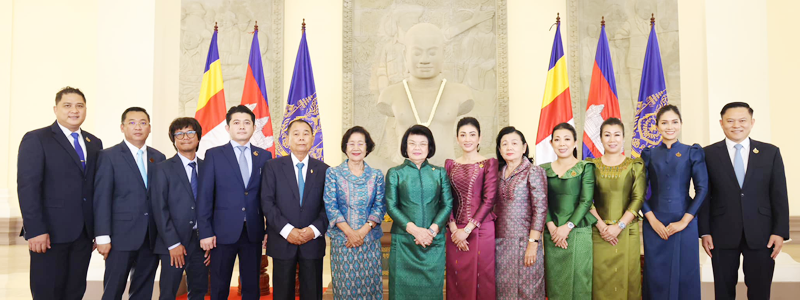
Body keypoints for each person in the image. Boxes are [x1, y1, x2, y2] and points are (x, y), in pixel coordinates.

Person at [17, 87, 103, 300]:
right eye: (67, 105)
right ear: (55, 109)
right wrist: (35, 229)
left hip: (83, 235)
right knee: (48, 291)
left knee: (74, 291)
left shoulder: (94, 143)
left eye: (79, 106)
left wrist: (97, 230)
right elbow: (28, 187)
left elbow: (96, 189)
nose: (74, 110)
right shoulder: (37, 139)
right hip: (49, 234)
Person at [699, 102, 789, 299]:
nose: (736, 125)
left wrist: (779, 232)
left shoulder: (770, 152)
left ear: (752, 122)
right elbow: (704, 196)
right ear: (721, 123)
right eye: (730, 121)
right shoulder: (708, 154)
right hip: (721, 233)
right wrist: (704, 231)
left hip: (762, 233)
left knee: (760, 290)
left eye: (742, 120)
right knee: (723, 291)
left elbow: (779, 194)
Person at [198, 105, 271, 300]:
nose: (241, 127)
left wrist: (268, 229)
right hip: (221, 233)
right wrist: (205, 231)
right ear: (227, 127)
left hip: (253, 232)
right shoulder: (214, 155)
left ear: (254, 127)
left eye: (247, 122)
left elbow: (268, 197)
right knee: (219, 286)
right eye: (236, 122)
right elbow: (205, 195)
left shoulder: (264, 156)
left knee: (251, 287)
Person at [94, 107, 167, 300]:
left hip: (151, 237)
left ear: (149, 128)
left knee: (143, 289)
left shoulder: (158, 158)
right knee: (113, 289)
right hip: (120, 237)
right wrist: (102, 236)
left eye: (143, 123)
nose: (138, 127)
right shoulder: (108, 156)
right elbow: (102, 197)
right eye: (132, 122)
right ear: (122, 127)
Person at [640, 104, 708, 300]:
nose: (670, 126)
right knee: (656, 276)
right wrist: (652, 220)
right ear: (657, 126)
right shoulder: (649, 154)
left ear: (681, 124)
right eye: (664, 122)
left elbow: (702, 189)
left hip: (685, 220)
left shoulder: (692, 152)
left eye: (674, 122)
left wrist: (685, 221)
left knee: (686, 274)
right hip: (655, 222)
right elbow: (639, 192)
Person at [262, 119, 330, 300]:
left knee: (312, 293)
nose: (301, 138)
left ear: (313, 138)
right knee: (282, 293)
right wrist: (288, 230)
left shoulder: (324, 170)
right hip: (282, 240)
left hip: (312, 241)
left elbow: (329, 206)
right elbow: (267, 203)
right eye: (296, 134)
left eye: (306, 133)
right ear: (287, 139)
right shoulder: (273, 167)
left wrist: (313, 231)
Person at [385, 125, 453, 300]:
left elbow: (447, 204)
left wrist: (430, 232)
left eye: (423, 144)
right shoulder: (395, 173)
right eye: (412, 143)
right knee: (401, 292)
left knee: (432, 291)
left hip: (433, 241)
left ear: (429, 147)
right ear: (405, 147)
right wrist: (415, 231)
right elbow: (391, 206)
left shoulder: (439, 173)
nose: (417, 148)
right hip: (404, 242)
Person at [323, 126, 386, 300]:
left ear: (367, 147)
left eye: (360, 143)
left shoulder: (376, 176)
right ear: (345, 147)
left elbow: (379, 206)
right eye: (351, 144)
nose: (356, 148)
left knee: (370, 289)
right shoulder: (333, 174)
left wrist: (362, 232)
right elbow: (331, 206)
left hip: (370, 242)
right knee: (345, 290)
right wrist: (351, 234)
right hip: (343, 242)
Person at [152, 117, 211, 300]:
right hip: (173, 243)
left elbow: (215, 205)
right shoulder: (162, 168)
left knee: (199, 292)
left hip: (201, 243)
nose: (185, 137)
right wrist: (173, 243)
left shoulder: (208, 167)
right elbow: (159, 208)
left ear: (198, 137)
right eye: (179, 134)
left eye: (190, 132)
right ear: (174, 139)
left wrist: (210, 239)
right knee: (168, 293)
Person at [587, 118, 645, 300]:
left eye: (617, 135)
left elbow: (638, 199)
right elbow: (586, 200)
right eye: (607, 135)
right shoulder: (590, 165)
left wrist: (618, 226)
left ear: (624, 138)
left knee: (628, 278)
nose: (612, 139)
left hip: (627, 230)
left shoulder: (635, 165)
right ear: (601, 138)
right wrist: (602, 227)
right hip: (598, 231)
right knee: (600, 279)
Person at [541, 122, 596, 300]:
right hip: (552, 233)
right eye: (557, 140)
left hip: (579, 231)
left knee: (580, 279)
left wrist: (567, 227)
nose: (562, 143)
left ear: (574, 143)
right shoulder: (542, 170)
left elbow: (586, 201)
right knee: (556, 282)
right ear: (551, 143)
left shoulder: (585, 167)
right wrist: (552, 227)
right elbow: (542, 202)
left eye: (566, 139)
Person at [444, 117, 497, 300]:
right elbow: (446, 199)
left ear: (479, 138)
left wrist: (466, 230)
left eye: (472, 134)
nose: (468, 139)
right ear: (457, 138)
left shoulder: (489, 163)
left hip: (482, 229)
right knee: (457, 278)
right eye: (463, 135)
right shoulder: (450, 164)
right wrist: (453, 229)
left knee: (484, 278)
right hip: (454, 231)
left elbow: (489, 200)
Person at [494, 126, 548, 299]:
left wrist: (533, 243)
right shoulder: (496, 175)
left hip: (526, 243)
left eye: (514, 143)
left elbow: (540, 210)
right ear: (500, 149)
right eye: (504, 144)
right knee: (504, 291)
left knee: (528, 290)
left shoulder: (534, 171)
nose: (509, 147)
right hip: (500, 246)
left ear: (524, 147)